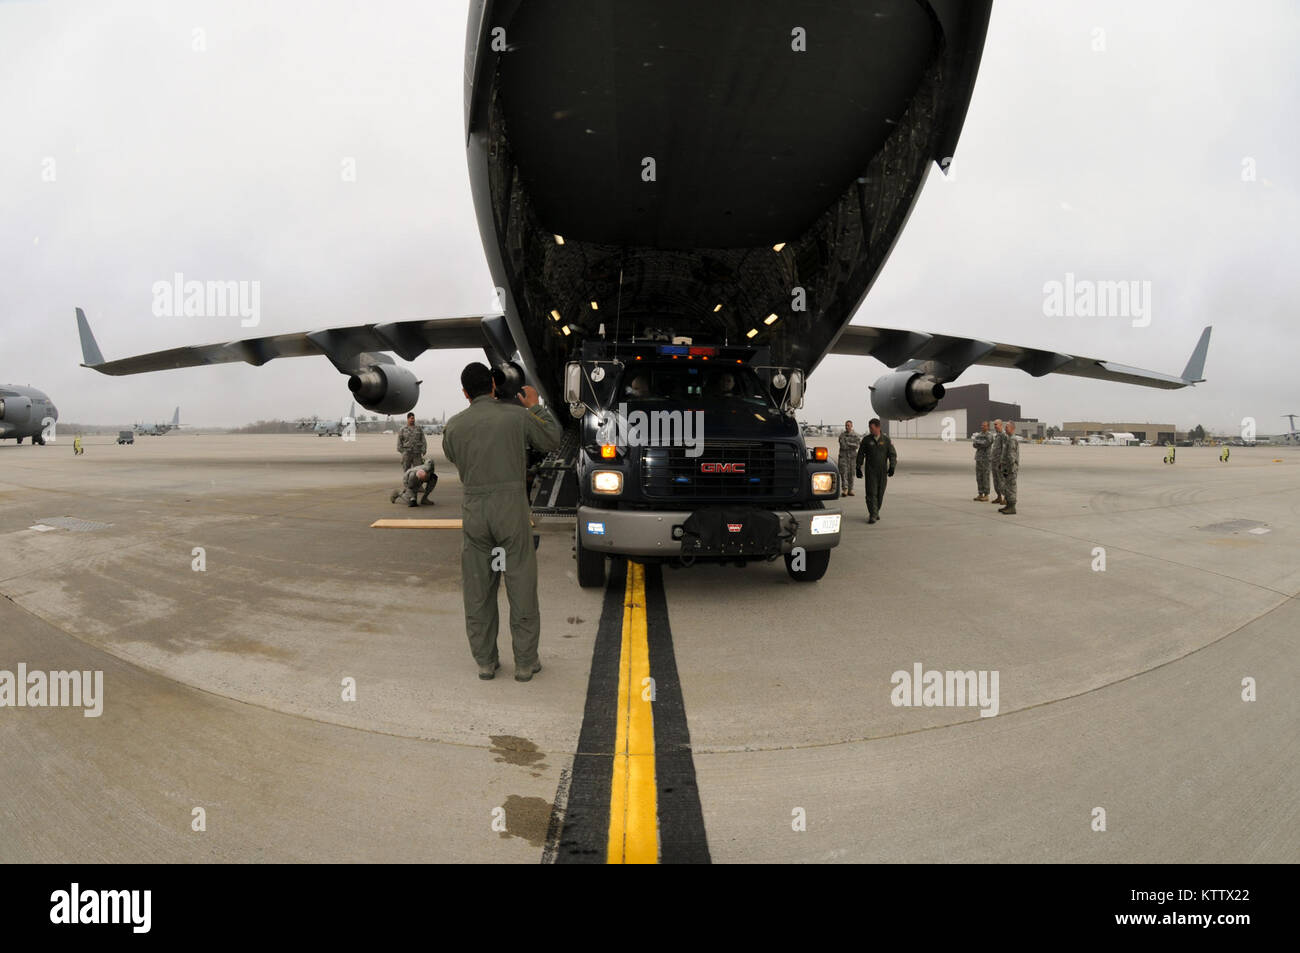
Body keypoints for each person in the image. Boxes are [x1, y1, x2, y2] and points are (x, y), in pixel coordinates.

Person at [442, 363, 563, 682]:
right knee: (520, 582)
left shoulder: (454, 426)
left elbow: (454, 456)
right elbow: (552, 440)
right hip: (510, 507)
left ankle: (485, 661)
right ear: (494, 385)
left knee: (479, 588)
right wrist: (535, 408)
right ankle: (525, 663)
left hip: (475, 510)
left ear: (465, 393)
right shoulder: (517, 416)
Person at [854, 418, 897, 523]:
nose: (870, 430)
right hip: (871, 471)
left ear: (878, 427)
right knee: (871, 493)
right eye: (869, 428)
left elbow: (892, 454)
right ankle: (872, 514)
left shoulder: (886, 440)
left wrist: (892, 466)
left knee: (879, 494)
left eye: (872, 428)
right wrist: (858, 467)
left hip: (882, 472)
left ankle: (876, 511)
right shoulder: (866, 440)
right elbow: (860, 454)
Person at [999, 422, 1019, 515]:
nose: (1005, 428)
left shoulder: (1012, 440)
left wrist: (1008, 469)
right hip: (1006, 468)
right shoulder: (1008, 438)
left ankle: (1012, 507)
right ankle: (1008, 505)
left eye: (1007, 427)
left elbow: (1011, 457)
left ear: (1012, 428)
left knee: (1011, 488)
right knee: (1007, 487)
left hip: (1010, 469)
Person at [837, 421, 861, 496]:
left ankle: (850, 490)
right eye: (846, 425)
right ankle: (845, 489)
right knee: (844, 473)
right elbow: (843, 445)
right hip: (843, 457)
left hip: (852, 458)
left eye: (848, 425)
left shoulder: (856, 435)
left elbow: (857, 445)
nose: (847, 427)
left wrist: (848, 444)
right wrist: (851, 445)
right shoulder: (842, 435)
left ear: (851, 426)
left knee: (851, 474)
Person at [972, 421, 991, 501]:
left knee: (985, 477)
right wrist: (980, 442)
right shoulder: (979, 435)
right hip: (979, 458)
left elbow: (986, 444)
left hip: (986, 459)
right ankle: (980, 493)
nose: (982, 427)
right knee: (979, 477)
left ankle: (986, 495)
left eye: (984, 426)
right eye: (982, 426)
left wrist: (978, 442)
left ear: (988, 427)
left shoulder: (989, 435)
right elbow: (974, 444)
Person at [989, 420, 1006, 505]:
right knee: (996, 481)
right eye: (994, 425)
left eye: (996, 424)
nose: (995, 426)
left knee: (1002, 481)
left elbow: (1004, 449)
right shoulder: (997, 435)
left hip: (999, 462)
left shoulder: (1003, 435)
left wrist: (1002, 462)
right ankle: (999, 497)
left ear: (1001, 425)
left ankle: (1005, 498)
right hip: (994, 462)